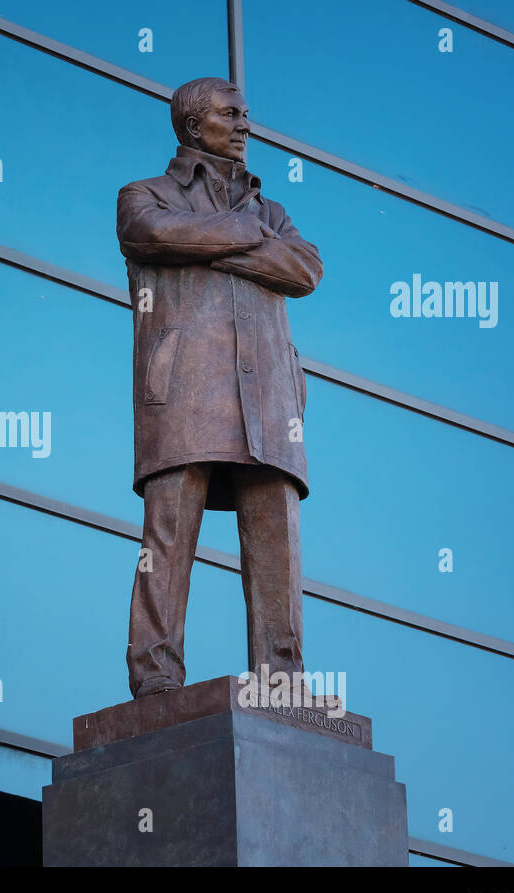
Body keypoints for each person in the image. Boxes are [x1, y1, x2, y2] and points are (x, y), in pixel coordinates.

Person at [116, 77, 324, 700]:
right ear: (192, 125)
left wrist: (218, 243)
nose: (244, 125)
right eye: (231, 115)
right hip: (185, 390)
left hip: (269, 402)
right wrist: (252, 241)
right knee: (169, 533)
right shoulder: (144, 194)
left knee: (276, 541)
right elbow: (155, 235)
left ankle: (281, 682)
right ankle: (155, 675)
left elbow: (306, 267)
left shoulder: (272, 209)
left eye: (246, 115)